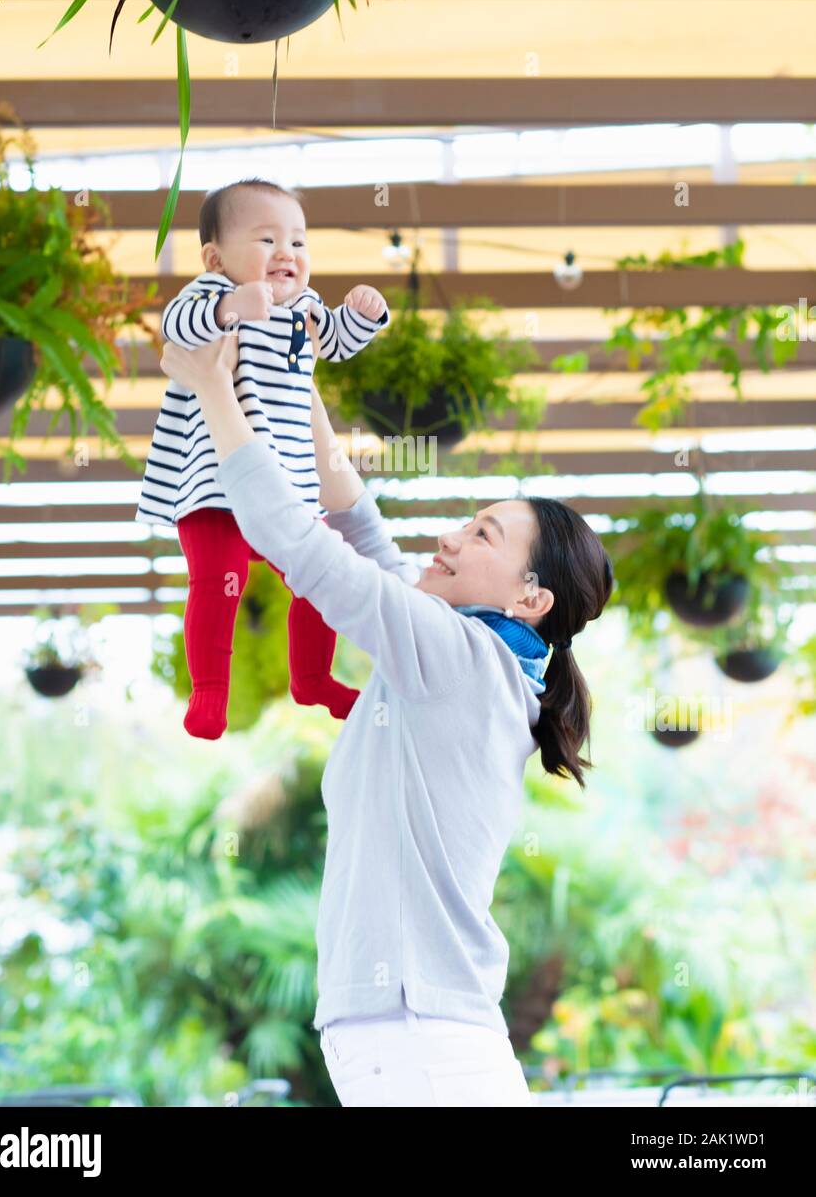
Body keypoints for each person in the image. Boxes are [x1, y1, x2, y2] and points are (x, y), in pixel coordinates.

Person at [158, 329, 614, 1108]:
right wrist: (290, 378)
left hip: (419, 1035)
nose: (450, 536)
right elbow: (358, 524)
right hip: (414, 1031)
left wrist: (213, 388)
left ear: (529, 599)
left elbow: (298, 541)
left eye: (481, 536)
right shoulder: (465, 657)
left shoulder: (456, 656)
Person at [136, 176, 390, 739]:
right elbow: (174, 328)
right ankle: (209, 693)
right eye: (267, 240)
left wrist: (363, 316)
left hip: (289, 487)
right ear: (215, 256)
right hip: (216, 486)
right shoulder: (207, 293)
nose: (287, 254)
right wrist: (229, 306)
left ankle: (313, 678)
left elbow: (338, 342)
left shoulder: (304, 308)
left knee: (319, 578)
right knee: (216, 580)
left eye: (298, 243)